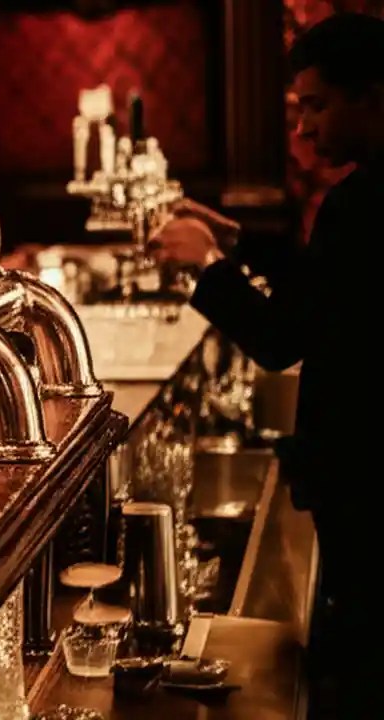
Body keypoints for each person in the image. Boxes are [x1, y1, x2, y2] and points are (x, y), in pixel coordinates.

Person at [149, 13, 384, 715]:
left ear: (372, 96)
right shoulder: (365, 199)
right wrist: (239, 241)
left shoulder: (360, 202)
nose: (304, 129)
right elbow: (331, 287)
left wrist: (208, 266)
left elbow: (285, 337)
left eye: (315, 105)